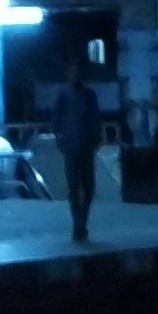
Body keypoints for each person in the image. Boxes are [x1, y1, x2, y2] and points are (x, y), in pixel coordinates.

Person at [52, 72, 105, 243]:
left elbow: (95, 118)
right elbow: (57, 119)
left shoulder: (88, 95)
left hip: (84, 146)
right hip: (74, 146)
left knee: (86, 188)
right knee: (75, 188)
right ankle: (79, 223)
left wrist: (96, 139)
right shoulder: (66, 95)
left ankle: (80, 222)